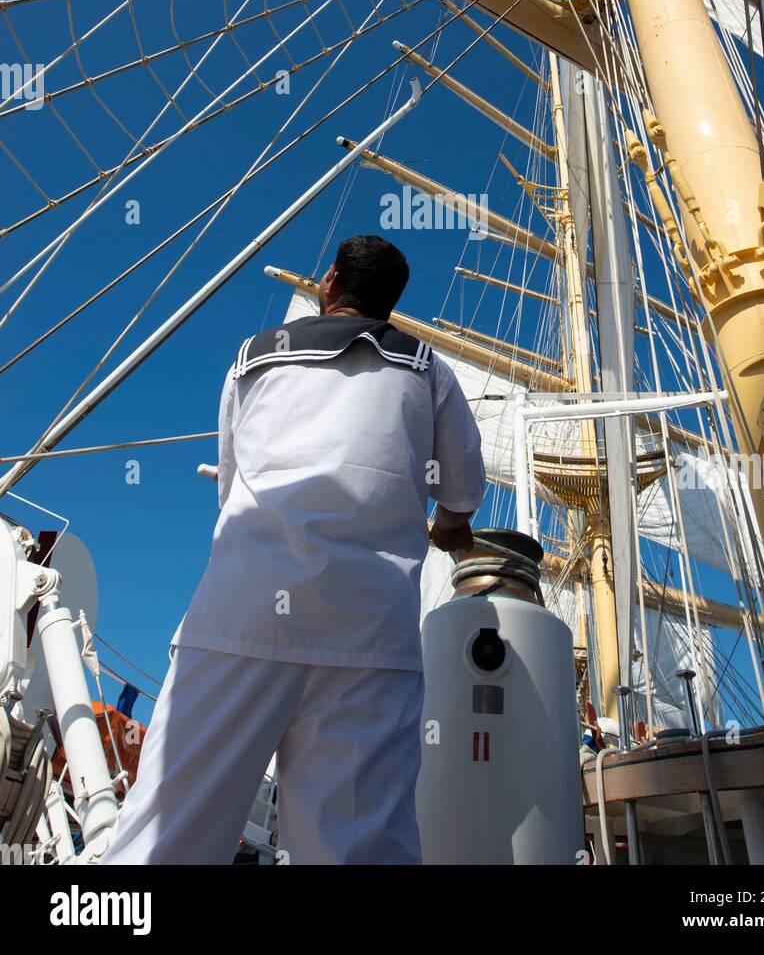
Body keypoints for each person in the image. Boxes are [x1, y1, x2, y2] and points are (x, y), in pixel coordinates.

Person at [102, 235, 485, 866]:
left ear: (328, 281)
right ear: (391, 305)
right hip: (369, 636)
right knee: (360, 850)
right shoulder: (428, 369)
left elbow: (231, 487)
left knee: (165, 835)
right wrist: (448, 526)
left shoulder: (253, 358)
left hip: (240, 616)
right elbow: (462, 486)